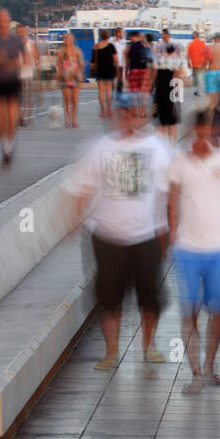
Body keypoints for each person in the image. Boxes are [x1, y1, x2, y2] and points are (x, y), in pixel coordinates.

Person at [66, 101, 172, 374]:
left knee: (150, 298)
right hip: (107, 236)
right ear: (116, 118)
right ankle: (112, 351)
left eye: (135, 115)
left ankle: (148, 347)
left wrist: (167, 233)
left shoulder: (158, 148)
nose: (128, 121)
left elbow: (168, 194)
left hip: (146, 236)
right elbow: (83, 188)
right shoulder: (99, 147)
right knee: (110, 299)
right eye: (123, 116)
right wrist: (74, 221)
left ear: (144, 117)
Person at [167, 110, 220, 394]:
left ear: (213, 130)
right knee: (189, 310)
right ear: (193, 131)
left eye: (207, 131)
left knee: (217, 310)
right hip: (186, 248)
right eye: (198, 131)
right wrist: (172, 230)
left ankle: (210, 363)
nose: (202, 137)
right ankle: (195, 372)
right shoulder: (178, 160)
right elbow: (172, 198)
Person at [0, 10, 25, 167]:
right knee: (1, 115)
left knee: (12, 115)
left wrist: (13, 63)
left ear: (9, 22)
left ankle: (10, 143)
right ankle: (5, 147)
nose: (3, 23)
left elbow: (25, 60)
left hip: (13, 79)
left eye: (5, 20)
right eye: (0, 20)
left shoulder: (16, 41)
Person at [152, 41, 184, 143]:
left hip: (159, 92)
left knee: (161, 121)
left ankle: (161, 146)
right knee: (172, 123)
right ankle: (171, 146)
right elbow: (177, 81)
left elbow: (154, 78)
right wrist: (179, 99)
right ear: (174, 50)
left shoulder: (159, 61)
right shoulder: (177, 62)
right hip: (171, 94)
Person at [124, 29, 155, 116]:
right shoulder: (147, 45)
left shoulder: (129, 47)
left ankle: (134, 111)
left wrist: (126, 72)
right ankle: (142, 111)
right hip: (145, 71)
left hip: (133, 71)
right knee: (144, 92)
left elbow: (127, 61)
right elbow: (153, 59)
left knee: (134, 91)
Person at [56, 32, 83, 127]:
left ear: (72, 40)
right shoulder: (61, 51)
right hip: (64, 76)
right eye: (65, 38)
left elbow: (81, 64)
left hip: (75, 76)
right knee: (66, 99)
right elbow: (58, 63)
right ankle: (67, 120)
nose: (67, 40)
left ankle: (73, 120)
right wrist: (60, 73)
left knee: (75, 100)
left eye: (68, 38)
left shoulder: (77, 50)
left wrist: (81, 76)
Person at [91, 29, 118, 117]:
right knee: (109, 90)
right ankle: (109, 110)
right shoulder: (111, 46)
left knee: (101, 91)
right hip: (110, 69)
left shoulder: (96, 46)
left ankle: (102, 111)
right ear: (108, 36)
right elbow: (115, 60)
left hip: (100, 70)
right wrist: (118, 71)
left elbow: (93, 61)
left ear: (100, 36)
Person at [204, 32, 220, 109]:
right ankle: (217, 111)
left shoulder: (209, 48)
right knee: (219, 95)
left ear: (213, 39)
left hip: (211, 72)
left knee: (211, 96)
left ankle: (211, 111)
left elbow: (206, 63)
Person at [187, 29, 209, 98]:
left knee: (196, 78)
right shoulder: (202, 43)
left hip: (194, 64)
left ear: (193, 36)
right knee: (202, 77)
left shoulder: (190, 44)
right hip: (202, 63)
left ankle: (198, 90)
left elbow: (188, 55)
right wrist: (206, 63)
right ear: (198, 36)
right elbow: (206, 54)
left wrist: (188, 63)